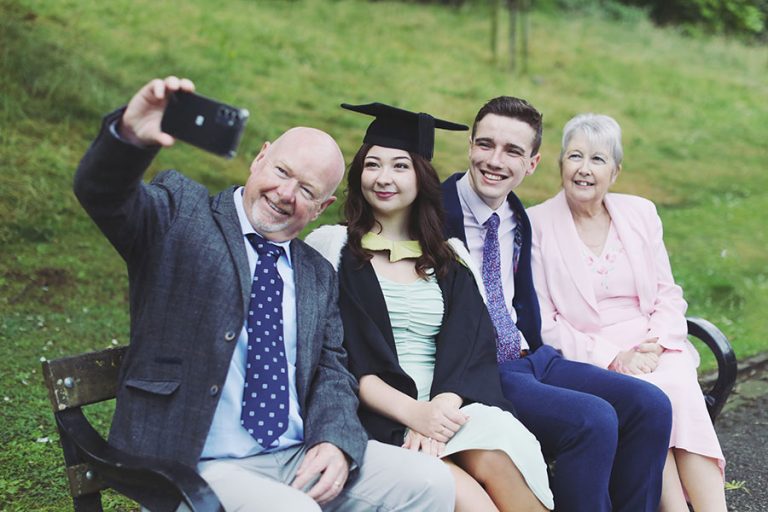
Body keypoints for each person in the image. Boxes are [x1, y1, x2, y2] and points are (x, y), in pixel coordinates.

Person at [73, 76, 456, 512]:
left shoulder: (314, 273)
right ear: (260, 158)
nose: (286, 194)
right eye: (282, 171)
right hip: (197, 462)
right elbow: (102, 195)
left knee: (429, 481)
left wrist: (335, 442)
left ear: (321, 208)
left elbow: (333, 372)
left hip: (295, 455)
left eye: (307, 190)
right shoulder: (182, 215)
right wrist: (128, 138)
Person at [305, 102, 554, 512]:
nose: (383, 178)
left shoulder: (450, 258)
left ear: (421, 176)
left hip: (448, 408)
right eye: (372, 165)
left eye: (400, 166)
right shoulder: (333, 251)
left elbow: (472, 348)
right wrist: (413, 413)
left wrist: (440, 408)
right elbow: (336, 358)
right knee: (474, 503)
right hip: (378, 415)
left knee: (501, 460)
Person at [441, 96, 674, 512]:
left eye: (513, 151)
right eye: (485, 144)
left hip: (534, 357)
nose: (495, 160)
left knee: (650, 405)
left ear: (531, 164)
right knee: (593, 419)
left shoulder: (517, 216)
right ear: (470, 146)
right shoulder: (433, 213)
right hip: (483, 370)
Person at [528, 112, 727, 512]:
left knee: (675, 390)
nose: (584, 169)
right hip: (592, 355)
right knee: (653, 400)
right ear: (560, 164)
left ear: (615, 173)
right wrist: (614, 358)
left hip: (654, 345)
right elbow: (545, 323)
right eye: (575, 156)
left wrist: (657, 344)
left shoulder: (640, 213)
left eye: (598, 160)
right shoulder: (535, 224)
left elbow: (668, 292)